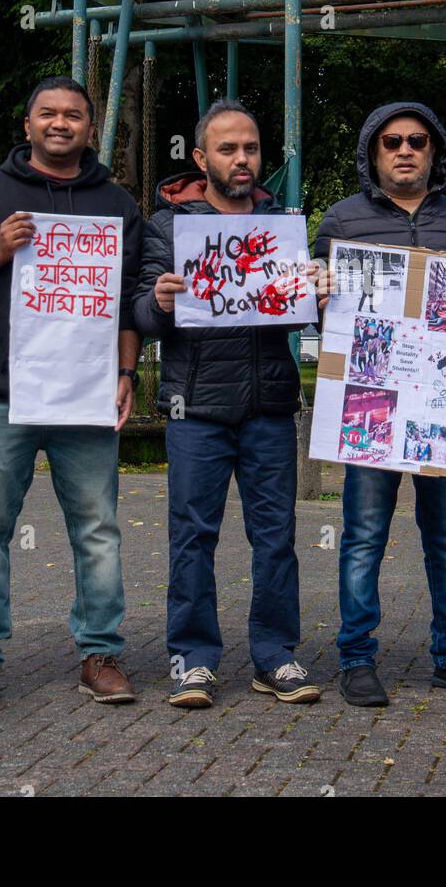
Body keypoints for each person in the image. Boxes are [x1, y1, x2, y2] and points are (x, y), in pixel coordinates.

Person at [0, 76, 144, 712]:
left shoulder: (116, 203)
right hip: (4, 396)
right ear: (27, 125)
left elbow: (130, 299)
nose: (60, 124)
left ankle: (100, 653)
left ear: (89, 125)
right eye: (47, 114)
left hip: (85, 397)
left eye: (73, 115)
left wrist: (127, 373)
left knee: (99, 529)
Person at [314, 100, 446, 707]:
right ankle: (356, 659)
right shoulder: (341, 221)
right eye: (392, 141)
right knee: (363, 533)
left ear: (434, 151)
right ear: (374, 152)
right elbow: (311, 312)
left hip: (443, 406)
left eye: (418, 141)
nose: (405, 150)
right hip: (371, 400)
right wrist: (316, 291)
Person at [133, 99, 321, 708]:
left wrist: (321, 292)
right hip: (196, 411)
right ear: (200, 158)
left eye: (250, 149)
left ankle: (276, 656)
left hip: (269, 405)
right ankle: (192, 659)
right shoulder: (168, 228)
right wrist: (159, 302)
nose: (242, 160)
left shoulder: (283, 223)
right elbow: (138, 313)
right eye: (228, 149)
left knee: (276, 537)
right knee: (192, 536)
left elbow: (310, 314)